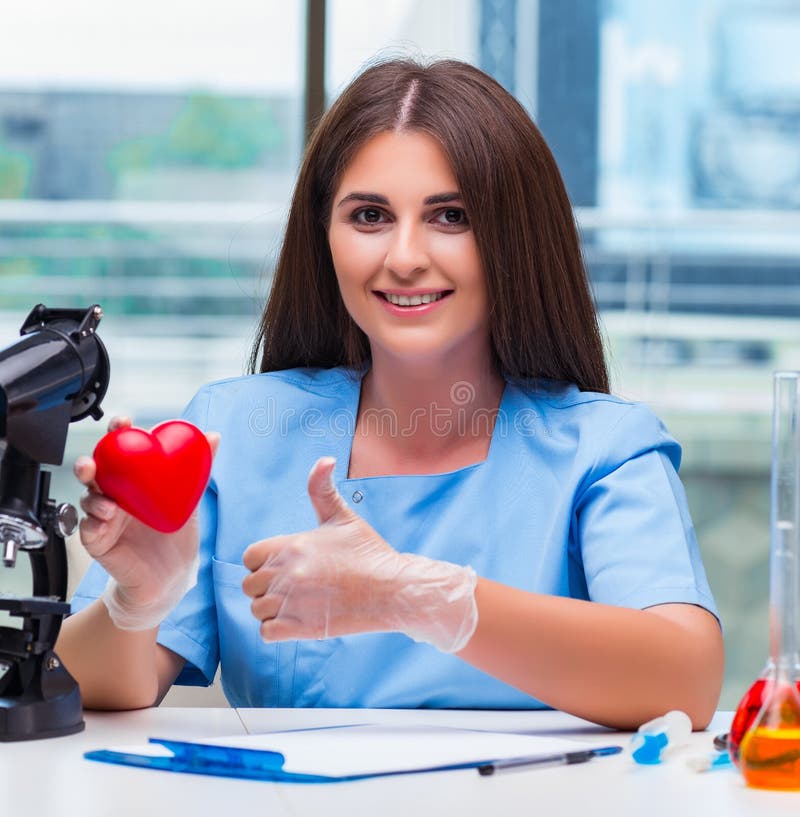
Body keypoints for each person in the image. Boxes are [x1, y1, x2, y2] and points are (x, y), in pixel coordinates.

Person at [57, 57, 723, 729]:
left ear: (514, 237)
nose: (404, 257)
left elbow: (686, 678)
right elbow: (91, 685)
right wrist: (135, 603)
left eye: (451, 216)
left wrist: (410, 594)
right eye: (370, 215)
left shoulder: (604, 449)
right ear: (325, 235)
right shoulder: (236, 429)